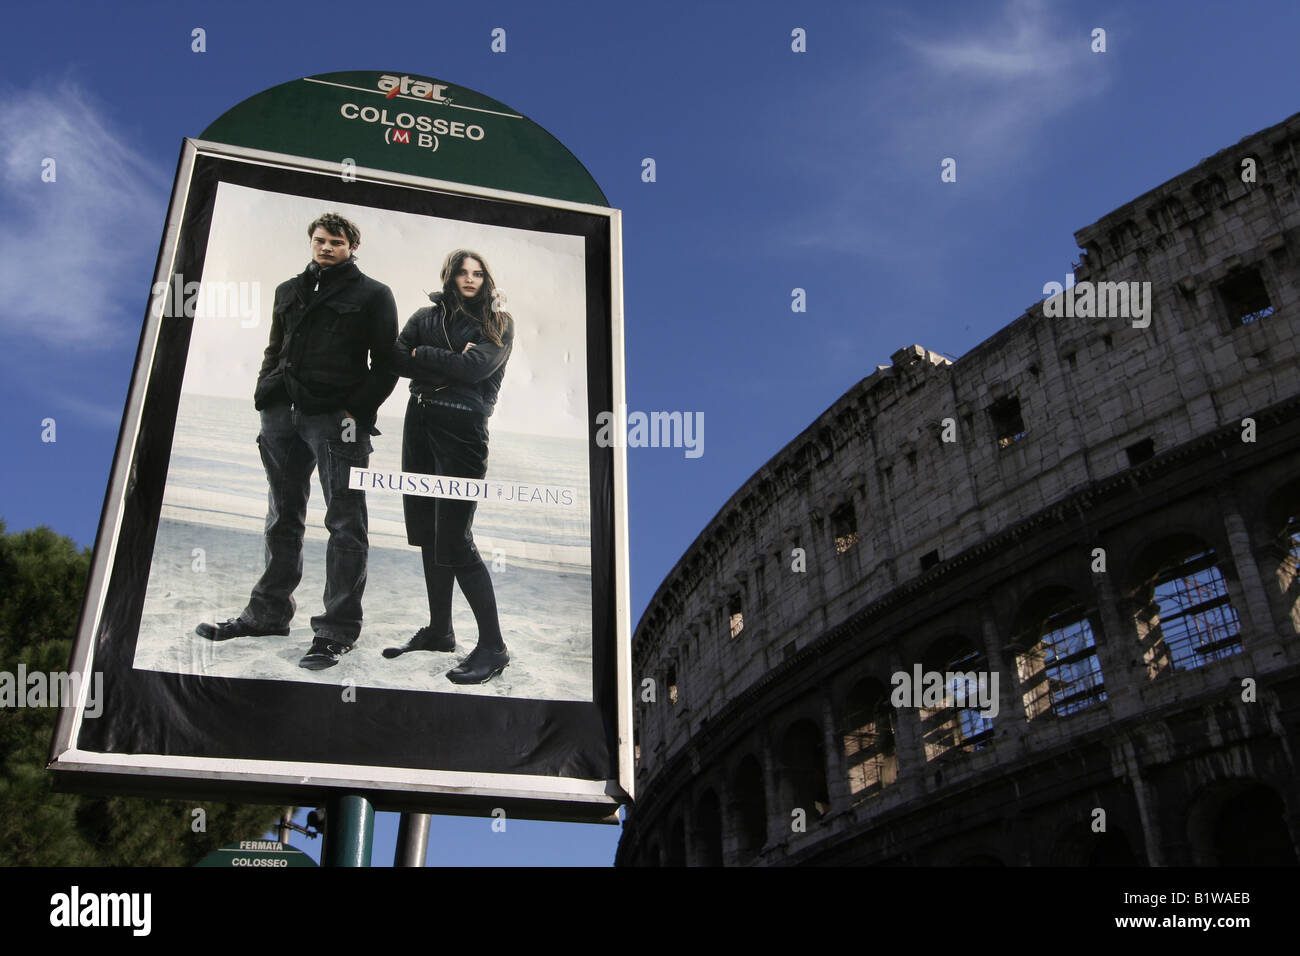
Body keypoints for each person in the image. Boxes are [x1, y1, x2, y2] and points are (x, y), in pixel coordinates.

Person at [196, 213, 399, 669]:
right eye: (321, 240)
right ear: (311, 242)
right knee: (281, 517)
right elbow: (275, 347)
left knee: (345, 523)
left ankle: (335, 631)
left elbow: (387, 364)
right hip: (280, 413)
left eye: (337, 242)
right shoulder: (288, 290)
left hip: (335, 418)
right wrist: (263, 393)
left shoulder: (373, 294)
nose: (327, 248)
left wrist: (354, 412)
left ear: (352, 247)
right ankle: (267, 614)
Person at [383, 249, 514, 684]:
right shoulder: (425, 314)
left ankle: (494, 646)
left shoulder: (498, 322)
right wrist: (443, 358)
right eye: (463, 272)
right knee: (427, 532)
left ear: (486, 278)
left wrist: (425, 354)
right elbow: (395, 359)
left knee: (455, 538)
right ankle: (440, 631)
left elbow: (475, 369)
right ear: (450, 276)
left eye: (479, 273)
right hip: (418, 422)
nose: (471, 279)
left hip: (463, 432)